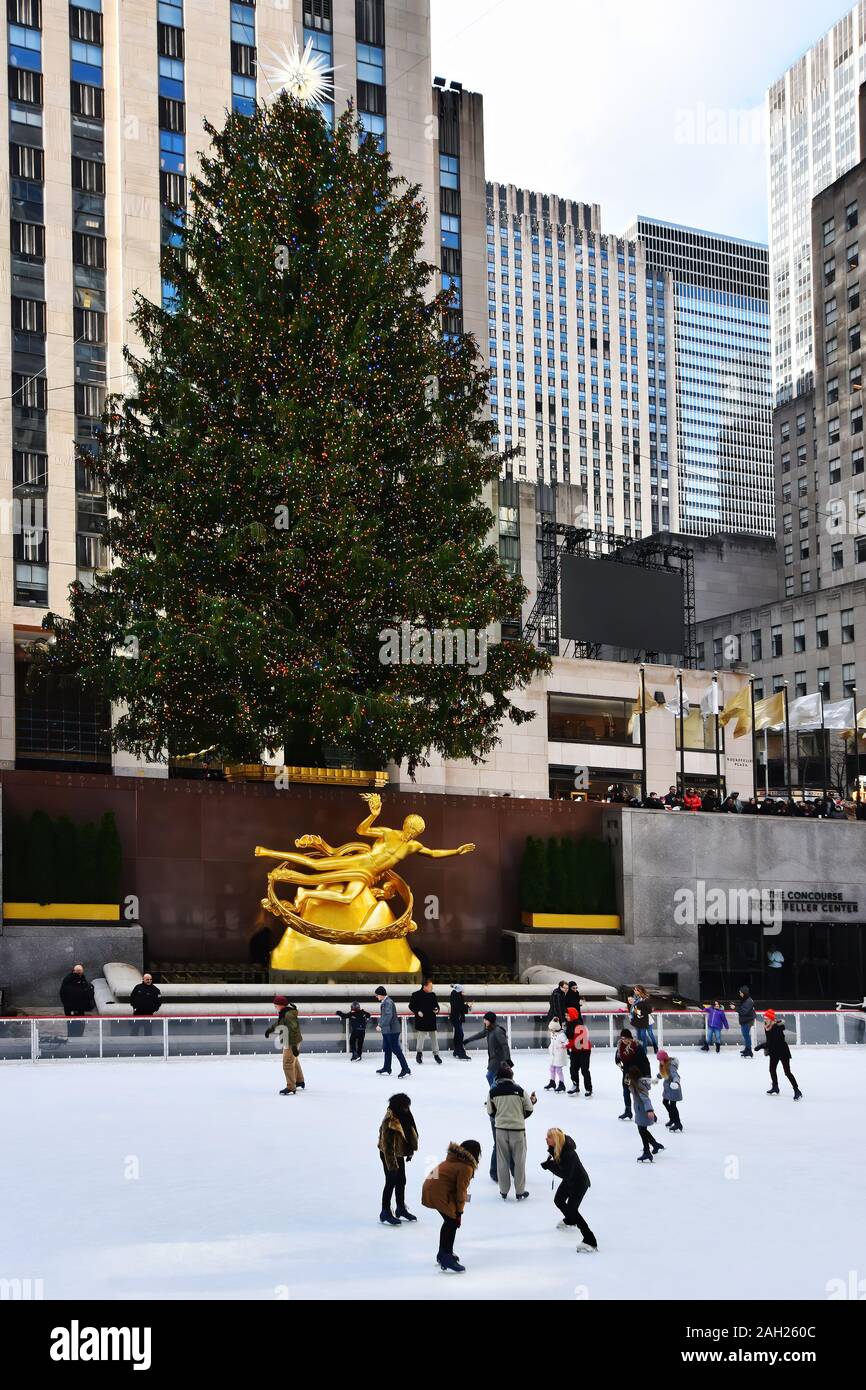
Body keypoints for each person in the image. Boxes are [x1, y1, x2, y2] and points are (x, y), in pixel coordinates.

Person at [421, 1138, 481, 1273]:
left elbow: (459, 1192)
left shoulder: (454, 1159)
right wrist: (459, 1213)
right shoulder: (466, 1167)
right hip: (437, 1192)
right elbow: (461, 1192)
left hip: (432, 1187)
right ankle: (446, 1256)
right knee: (452, 1222)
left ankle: (443, 1253)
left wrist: (463, 1203)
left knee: (450, 1221)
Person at [541, 1128, 598, 1251]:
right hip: (570, 1179)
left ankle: (590, 1240)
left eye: (549, 1137)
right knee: (559, 1200)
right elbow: (562, 1168)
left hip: (579, 1182)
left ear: (555, 1139)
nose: (546, 1139)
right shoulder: (559, 1148)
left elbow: (565, 1173)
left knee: (572, 1209)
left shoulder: (569, 1154)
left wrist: (550, 1166)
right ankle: (571, 1220)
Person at [486, 1063, 536, 1200]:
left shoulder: (492, 1092)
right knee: (519, 1161)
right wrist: (520, 1116)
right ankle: (520, 1191)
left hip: (501, 1130)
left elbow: (490, 1111)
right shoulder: (519, 1090)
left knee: (502, 1161)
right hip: (518, 1130)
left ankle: (503, 1191)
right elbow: (529, 1108)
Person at [377, 1092, 419, 1225]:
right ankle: (385, 1212)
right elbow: (387, 1146)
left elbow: (410, 1133)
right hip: (388, 1155)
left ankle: (400, 1208)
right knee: (391, 1181)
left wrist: (410, 1150)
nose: (408, 1109)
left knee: (401, 1180)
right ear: (399, 1107)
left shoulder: (405, 1115)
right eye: (405, 1107)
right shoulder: (389, 1122)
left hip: (398, 1153)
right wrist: (392, 1165)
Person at [755, 1010, 802, 1100]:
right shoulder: (767, 1026)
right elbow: (770, 1041)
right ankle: (775, 1087)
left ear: (771, 1018)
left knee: (787, 1072)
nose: (764, 1018)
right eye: (764, 1017)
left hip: (782, 1051)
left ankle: (797, 1090)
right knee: (772, 1069)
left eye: (766, 1017)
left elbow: (773, 1041)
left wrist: (761, 1046)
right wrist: (764, 1046)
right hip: (773, 1052)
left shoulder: (777, 1027)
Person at [264, 996, 305, 1094]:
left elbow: (294, 1030)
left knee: (287, 1063)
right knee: (294, 1060)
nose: (275, 1007)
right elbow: (280, 1024)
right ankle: (299, 1081)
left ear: (280, 1005)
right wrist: (270, 1030)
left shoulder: (288, 1015)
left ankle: (291, 1087)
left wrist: (294, 1046)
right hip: (291, 1040)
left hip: (291, 1042)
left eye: (276, 1005)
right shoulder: (285, 1013)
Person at [463, 1010, 511, 1088]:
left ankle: (494, 1093)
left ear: (490, 1021)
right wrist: (467, 1040)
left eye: (485, 1020)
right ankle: (496, 1094)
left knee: (490, 1076)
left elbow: (504, 1045)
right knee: (495, 1078)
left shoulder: (497, 1031)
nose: (484, 1021)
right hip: (493, 1058)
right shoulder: (489, 1029)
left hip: (498, 1059)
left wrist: (508, 1059)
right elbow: (479, 1035)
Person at [626, 1065, 664, 1162]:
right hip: (640, 1110)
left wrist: (649, 1110)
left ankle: (647, 1151)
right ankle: (655, 1144)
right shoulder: (638, 1081)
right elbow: (627, 1083)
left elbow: (645, 1098)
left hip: (642, 1110)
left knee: (642, 1131)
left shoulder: (638, 1084)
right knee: (643, 1130)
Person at [374, 986, 410, 1078]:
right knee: (387, 1049)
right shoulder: (385, 1002)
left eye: (377, 995)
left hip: (392, 1031)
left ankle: (405, 1068)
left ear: (381, 994)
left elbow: (388, 1015)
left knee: (396, 1050)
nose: (376, 997)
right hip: (387, 1030)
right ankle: (387, 1068)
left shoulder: (388, 1002)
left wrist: (380, 1025)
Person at [615, 1027, 650, 1119]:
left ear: (630, 1038)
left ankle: (650, 1112)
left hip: (638, 1073)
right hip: (627, 1074)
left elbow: (645, 1061)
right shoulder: (620, 1046)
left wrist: (647, 1075)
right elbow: (618, 1057)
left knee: (640, 1094)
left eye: (625, 1038)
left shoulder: (637, 1047)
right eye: (622, 1038)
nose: (623, 1040)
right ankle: (628, 1111)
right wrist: (618, 1061)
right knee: (626, 1091)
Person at [408, 978, 441, 1064]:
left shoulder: (433, 995)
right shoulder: (416, 995)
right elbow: (411, 1006)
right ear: (425, 986)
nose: (432, 988)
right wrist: (417, 1011)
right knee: (420, 1038)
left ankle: (436, 1054)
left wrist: (437, 1010)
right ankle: (419, 1053)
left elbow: (436, 1006)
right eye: (430, 986)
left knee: (434, 1038)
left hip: (431, 1020)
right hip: (421, 1020)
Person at [59, 964, 95, 1039]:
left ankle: (76, 1039)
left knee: (78, 1025)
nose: (80, 974)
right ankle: (73, 1039)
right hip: (72, 1008)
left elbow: (84, 989)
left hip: (77, 1007)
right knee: (74, 1025)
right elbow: (65, 993)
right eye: (78, 972)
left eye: (81, 972)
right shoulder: (69, 980)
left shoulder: (80, 979)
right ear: (74, 971)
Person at [565, 1007, 593, 1096]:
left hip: (584, 1050)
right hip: (575, 1050)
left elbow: (577, 1041)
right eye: (565, 1015)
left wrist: (566, 1045)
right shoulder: (569, 1025)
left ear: (572, 1015)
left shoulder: (579, 1025)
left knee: (584, 1070)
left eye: (567, 1015)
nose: (566, 1017)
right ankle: (575, 1085)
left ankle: (588, 1089)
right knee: (573, 1069)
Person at [657, 1050, 683, 1132]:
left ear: (665, 1059)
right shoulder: (664, 1065)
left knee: (673, 1106)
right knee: (665, 1102)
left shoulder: (671, 1066)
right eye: (659, 1060)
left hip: (674, 1088)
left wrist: (676, 1082)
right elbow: (663, 1073)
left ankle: (678, 1123)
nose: (660, 1062)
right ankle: (672, 1119)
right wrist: (657, 1078)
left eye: (661, 1060)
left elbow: (676, 1076)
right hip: (668, 1089)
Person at [129, 972, 161, 1038]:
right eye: (147, 979)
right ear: (143, 979)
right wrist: (134, 1007)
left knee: (148, 1030)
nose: (149, 981)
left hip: (149, 1014)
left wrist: (154, 1009)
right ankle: (132, 1042)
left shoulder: (155, 990)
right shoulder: (137, 987)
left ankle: (148, 1044)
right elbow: (132, 997)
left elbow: (159, 1001)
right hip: (138, 1013)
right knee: (135, 1029)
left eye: (150, 979)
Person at [631, 985, 658, 1054]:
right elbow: (634, 1008)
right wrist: (632, 1006)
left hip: (647, 1019)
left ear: (640, 991)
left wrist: (639, 1012)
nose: (635, 991)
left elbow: (649, 1010)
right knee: (641, 1034)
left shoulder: (646, 999)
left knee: (649, 1033)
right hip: (640, 1020)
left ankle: (655, 1047)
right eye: (634, 990)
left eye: (636, 990)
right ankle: (643, 1049)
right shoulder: (636, 999)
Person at [730, 986, 755, 1057]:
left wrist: (735, 1008)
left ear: (744, 993)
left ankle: (749, 1051)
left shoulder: (749, 1001)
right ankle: (747, 1049)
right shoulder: (745, 999)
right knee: (745, 1035)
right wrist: (735, 1004)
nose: (740, 994)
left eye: (741, 993)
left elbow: (743, 1011)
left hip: (748, 1020)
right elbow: (741, 1006)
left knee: (746, 1035)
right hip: (745, 1020)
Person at [448, 984, 471, 1059]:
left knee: (458, 1034)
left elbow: (458, 1006)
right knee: (460, 1034)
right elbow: (458, 1007)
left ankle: (456, 1050)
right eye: (461, 991)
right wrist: (467, 1006)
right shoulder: (456, 996)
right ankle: (460, 1052)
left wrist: (465, 1006)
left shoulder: (455, 995)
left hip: (456, 1017)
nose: (463, 993)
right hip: (456, 1017)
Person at [545, 1019, 568, 1093]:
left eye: (551, 1029)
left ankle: (562, 1084)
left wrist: (562, 1046)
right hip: (553, 1054)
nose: (550, 1030)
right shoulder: (552, 1034)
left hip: (559, 1055)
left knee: (558, 1070)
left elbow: (567, 1043)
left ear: (555, 1028)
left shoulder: (561, 1035)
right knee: (551, 1068)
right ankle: (552, 1082)